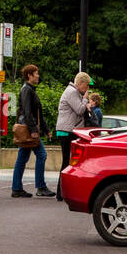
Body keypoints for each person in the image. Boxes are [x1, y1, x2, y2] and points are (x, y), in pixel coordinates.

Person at [12, 64, 56, 198]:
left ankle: (17, 188)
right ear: (29, 76)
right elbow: (27, 111)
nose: (38, 76)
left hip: (29, 129)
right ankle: (40, 187)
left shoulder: (30, 89)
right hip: (29, 130)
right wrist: (33, 130)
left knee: (22, 157)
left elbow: (37, 114)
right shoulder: (27, 90)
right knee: (41, 155)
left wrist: (46, 129)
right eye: (36, 73)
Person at [54, 71, 92, 201]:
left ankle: (62, 192)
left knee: (68, 162)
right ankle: (61, 193)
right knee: (67, 162)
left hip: (68, 130)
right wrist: (86, 99)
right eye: (86, 86)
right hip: (67, 131)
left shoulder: (74, 92)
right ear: (80, 83)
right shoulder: (71, 92)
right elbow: (80, 109)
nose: (87, 89)